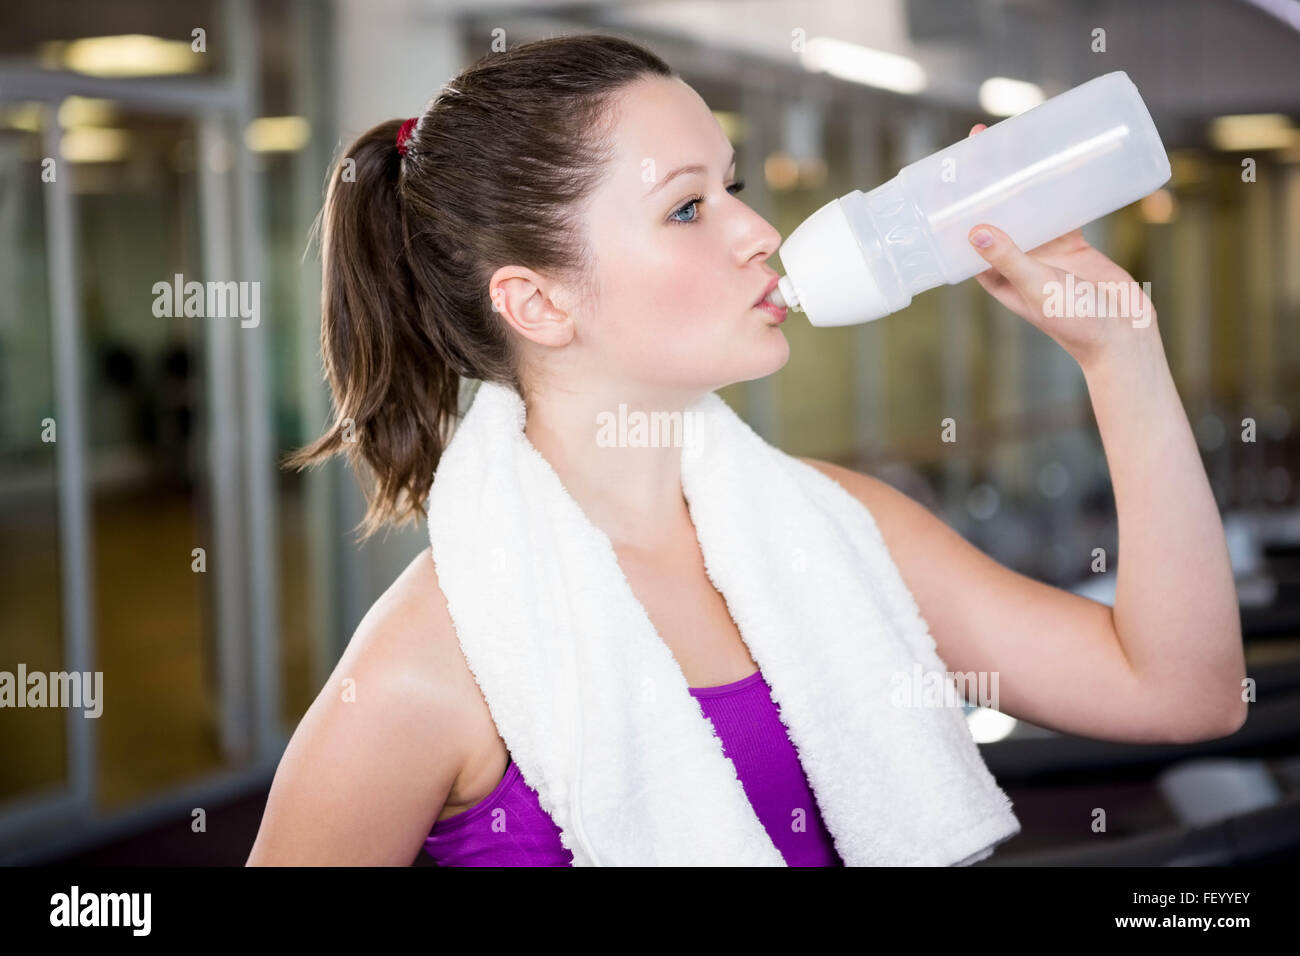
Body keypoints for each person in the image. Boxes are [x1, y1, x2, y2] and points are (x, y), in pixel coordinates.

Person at [247, 33, 1246, 866]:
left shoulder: (843, 528)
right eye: (687, 207)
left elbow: (1182, 692)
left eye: (730, 185)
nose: (759, 230)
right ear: (539, 301)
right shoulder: (422, 665)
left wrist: (1121, 354)